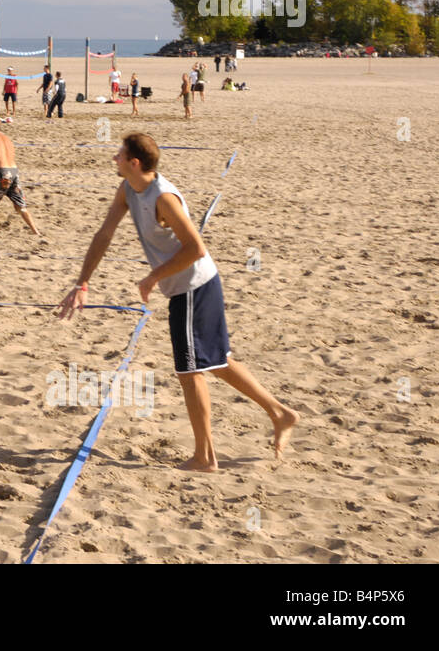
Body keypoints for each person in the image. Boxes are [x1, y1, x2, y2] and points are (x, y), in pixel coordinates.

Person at [55, 133, 299, 471]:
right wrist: (83, 282)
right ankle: (280, 412)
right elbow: (104, 234)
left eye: (119, 155)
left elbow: (196, 248)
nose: (114, 159)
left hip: (194, 287)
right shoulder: (127, 189)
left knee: (190, 370)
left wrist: (154, 277)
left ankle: (205, 457)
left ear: (134, 162)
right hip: (192, 286)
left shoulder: (163, 197)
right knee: (215, 362)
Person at [0, 116, 40, 236]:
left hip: (3, 173)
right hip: (14, 172)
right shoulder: (8, 139)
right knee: (20, 206)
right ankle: (35, 231)